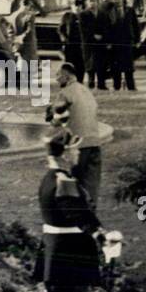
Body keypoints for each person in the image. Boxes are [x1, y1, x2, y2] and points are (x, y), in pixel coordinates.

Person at [35, 130, 104, 292]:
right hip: (70, 256)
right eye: (74, 149)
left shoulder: (50, 177)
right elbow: (77, 212)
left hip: (56, 255)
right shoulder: (63, 180)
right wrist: (102, 235)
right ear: (64, 154)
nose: (77, 153)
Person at [48, 62, 102, 206]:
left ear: (66, 76)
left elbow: (56, 118)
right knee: (91, 183)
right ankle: (91, 213)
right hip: (95, 141)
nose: (57, 79)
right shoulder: (86, 91)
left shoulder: (65, 93)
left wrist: (52, 119)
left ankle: (77, 218)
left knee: (75, 182)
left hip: (78, 145)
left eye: (58, 75)